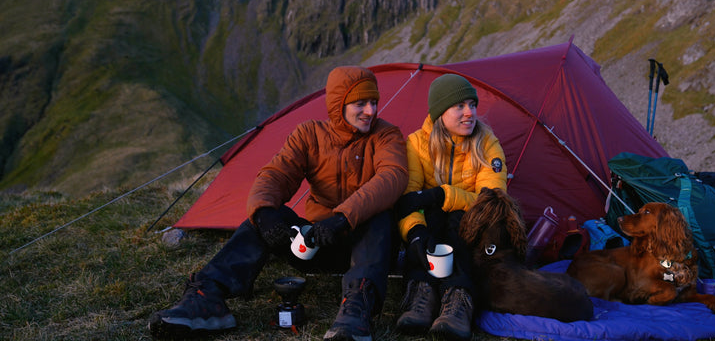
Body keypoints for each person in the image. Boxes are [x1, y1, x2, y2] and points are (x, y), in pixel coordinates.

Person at [148, 66, 409, 341]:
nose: (370, 111)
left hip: (368, 248)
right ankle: (207, 296)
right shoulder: (310, 134)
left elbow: (392, 177)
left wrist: (343, 218)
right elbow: (277, 174)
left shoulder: (386, 135)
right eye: (360, 103)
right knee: (267, 216)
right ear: (338, 104)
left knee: (379, 217)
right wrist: (264, 214)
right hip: (316, 243)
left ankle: (356, 311)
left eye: (374, 102)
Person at [394, 73, 508, 341]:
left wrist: (441, 194)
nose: (470, 113)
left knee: (457, 217)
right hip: (432, 227)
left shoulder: (487, 143)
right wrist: (414, 233)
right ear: (440, 112)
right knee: (429, 220)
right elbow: (408, 199)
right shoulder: (417, 144)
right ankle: (421, 292)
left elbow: (491, 200)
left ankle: (459, 298)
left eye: (472, 105)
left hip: (472, 229)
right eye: (460, 106)